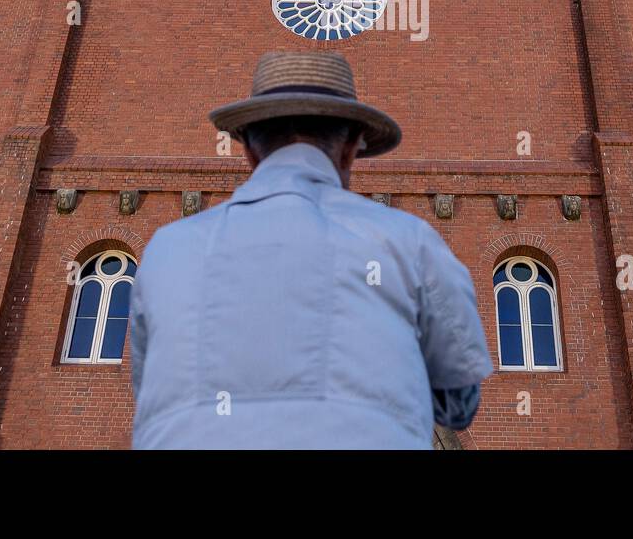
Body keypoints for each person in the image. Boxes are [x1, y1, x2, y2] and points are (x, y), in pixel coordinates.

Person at [129, 51, 493, 448]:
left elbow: (150, 387)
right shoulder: (408, 241)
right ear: (352, 147)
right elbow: (458, 405)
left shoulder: (168, 249)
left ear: (249, 151)